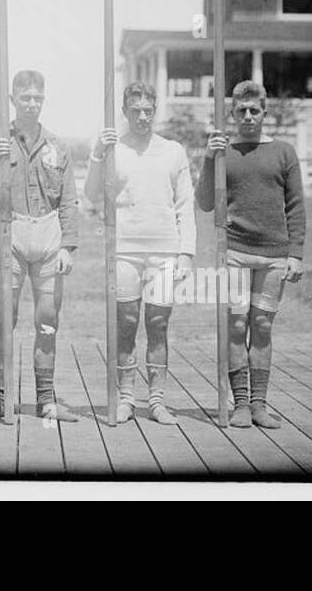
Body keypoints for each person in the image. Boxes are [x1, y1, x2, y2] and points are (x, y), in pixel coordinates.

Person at [196, 80, 306, 429]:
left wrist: (296, 254)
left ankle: (260, 405)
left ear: (264, 112)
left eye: (253, 110)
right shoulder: (223, 151)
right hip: (236, 253)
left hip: (275, 255)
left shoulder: (284, 152)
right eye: (240, 111)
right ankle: (240, 404)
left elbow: (296, 206)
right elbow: (204, 202)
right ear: (231, 113)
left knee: (261, 325)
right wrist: (208, 158)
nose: (247, 116)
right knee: (236, 324)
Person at [85, 81, 196, 424]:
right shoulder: (113, 148)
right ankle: (127, 397)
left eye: (148, 111)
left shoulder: (173, 150)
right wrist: (97, 156)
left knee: (158, 323)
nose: (143, 117)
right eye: (136, 111)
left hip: (164, 249)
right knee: (127, 323)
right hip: (125, 250)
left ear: (155, 111)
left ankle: (157, 400)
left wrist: (186, 253)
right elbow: (91, 195)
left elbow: (185, 206)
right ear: (125, 112)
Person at [0, 70, 79, 423]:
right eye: (25, 97)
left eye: (37, 98)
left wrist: (68, 246)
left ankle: (46, 400)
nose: (31, 104)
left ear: (43, 100)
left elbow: (68, 201)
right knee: (6, 318)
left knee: (47, 319)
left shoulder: (57, 145)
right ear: (12, 100)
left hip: (47, 233)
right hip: (9, 231)